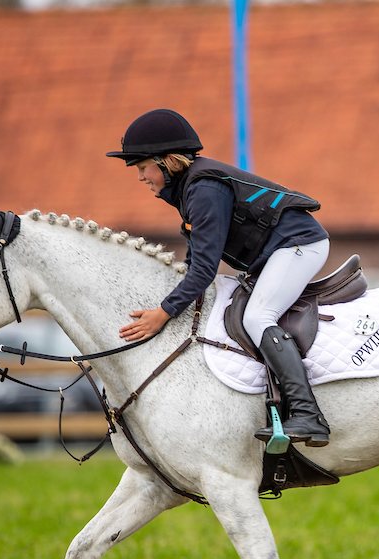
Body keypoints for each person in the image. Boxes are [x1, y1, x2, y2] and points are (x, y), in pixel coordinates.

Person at [106, 109, 331, 447]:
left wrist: (163, 313)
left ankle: (307, 414)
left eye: (142, 168)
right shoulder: (191, 191)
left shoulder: (203, 190)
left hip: (300, 245)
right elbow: (195, 258)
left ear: (167, 162)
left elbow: (204, 270)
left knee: (258, 316)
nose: (140, 177)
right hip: (278, 252)